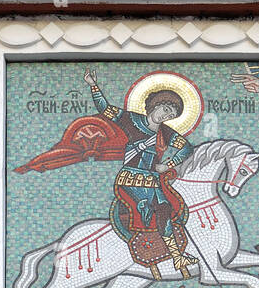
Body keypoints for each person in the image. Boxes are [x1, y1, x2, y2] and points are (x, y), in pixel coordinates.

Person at [84, 70, 196, 274]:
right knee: (146, 208)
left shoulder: (166, 133)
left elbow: (187, 148)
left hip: (153, 180)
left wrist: (168, 164)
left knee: (166, 209)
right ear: (155, 104)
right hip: (131, 178)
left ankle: (177, 257)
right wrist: (94, 86)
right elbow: (106, 109)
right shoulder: (131, 120)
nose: (166, 115)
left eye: (171, 115)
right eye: (166, 109)